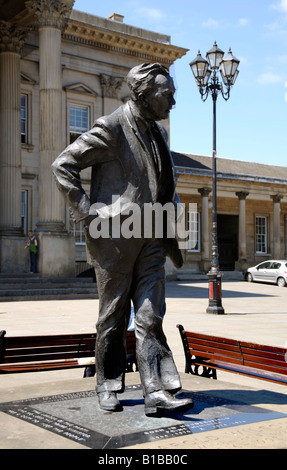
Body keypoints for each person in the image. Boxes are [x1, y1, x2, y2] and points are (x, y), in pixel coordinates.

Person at [52, 63, 194, 417]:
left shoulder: (159, 132)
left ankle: (156, 391)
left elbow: (165, 183)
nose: (173, 101)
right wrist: (88, 213)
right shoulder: (112, 127)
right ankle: (107, 383)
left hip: (151, 236)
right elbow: (63, 165)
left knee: (150, 316)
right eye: (167, 94)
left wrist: (174, 222)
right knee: (112, 317)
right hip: (114, 238)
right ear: (144, 95)